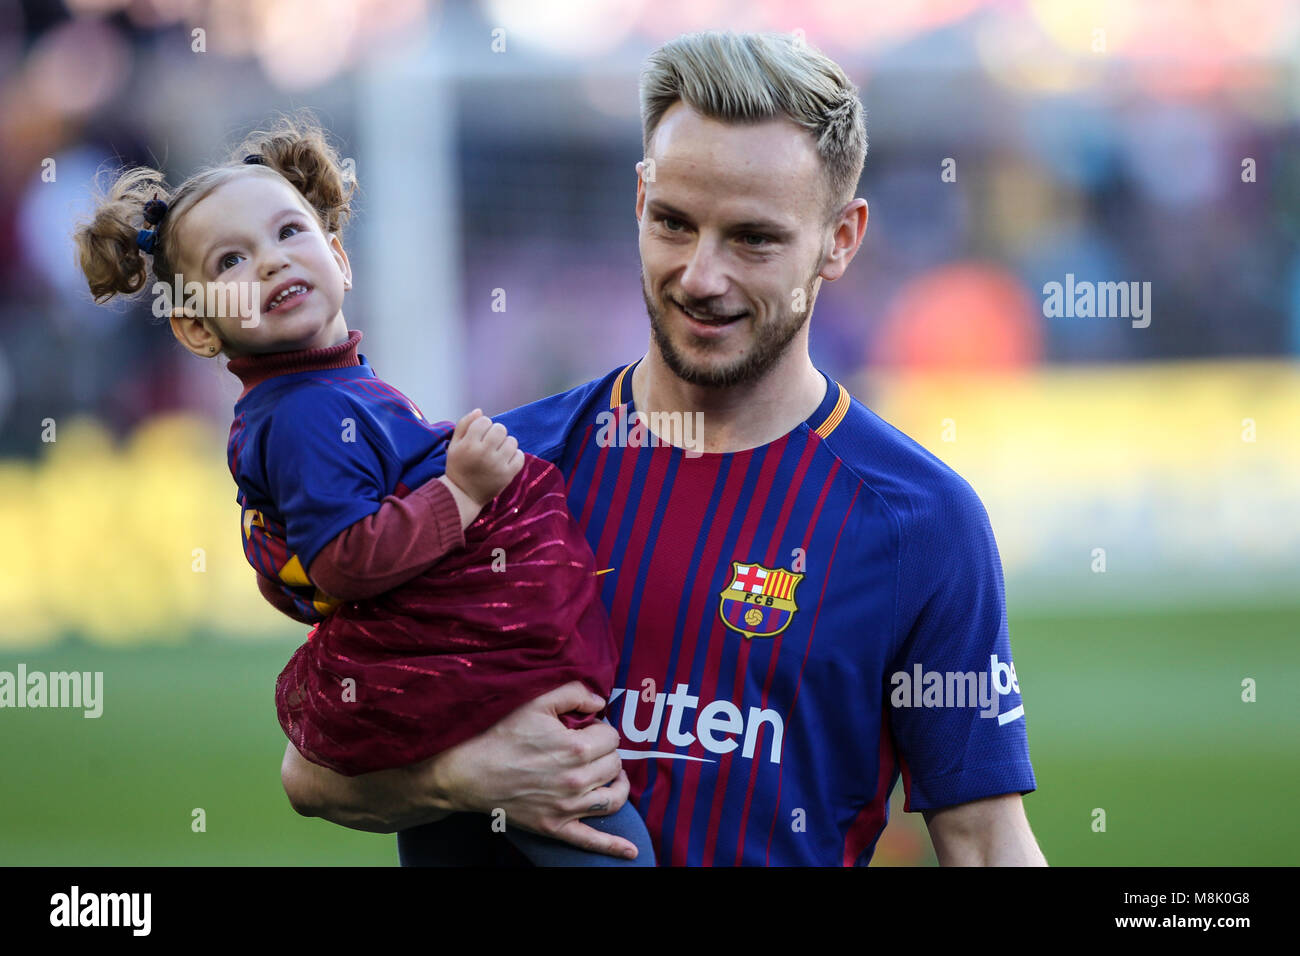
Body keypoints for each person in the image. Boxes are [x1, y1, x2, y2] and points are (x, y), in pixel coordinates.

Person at [282, 30, 1047, 866]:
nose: (700, 276)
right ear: (640, 199)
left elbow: (984, 845)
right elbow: (313, 772)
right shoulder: (493, 475)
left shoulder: (920, 523)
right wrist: (463, 777)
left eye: (753, 239)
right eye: (675, 224)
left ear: (841, 239)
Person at [72, 112, 654, 866]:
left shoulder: (327, 387)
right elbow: (344, 561)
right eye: (229, 262)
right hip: (451, 672)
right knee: (612, 842)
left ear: (339, 256)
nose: (271, 264)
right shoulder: (306, 413)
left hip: (437, 675)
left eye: (289, 233)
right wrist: (465, 493)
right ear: (195, 330)